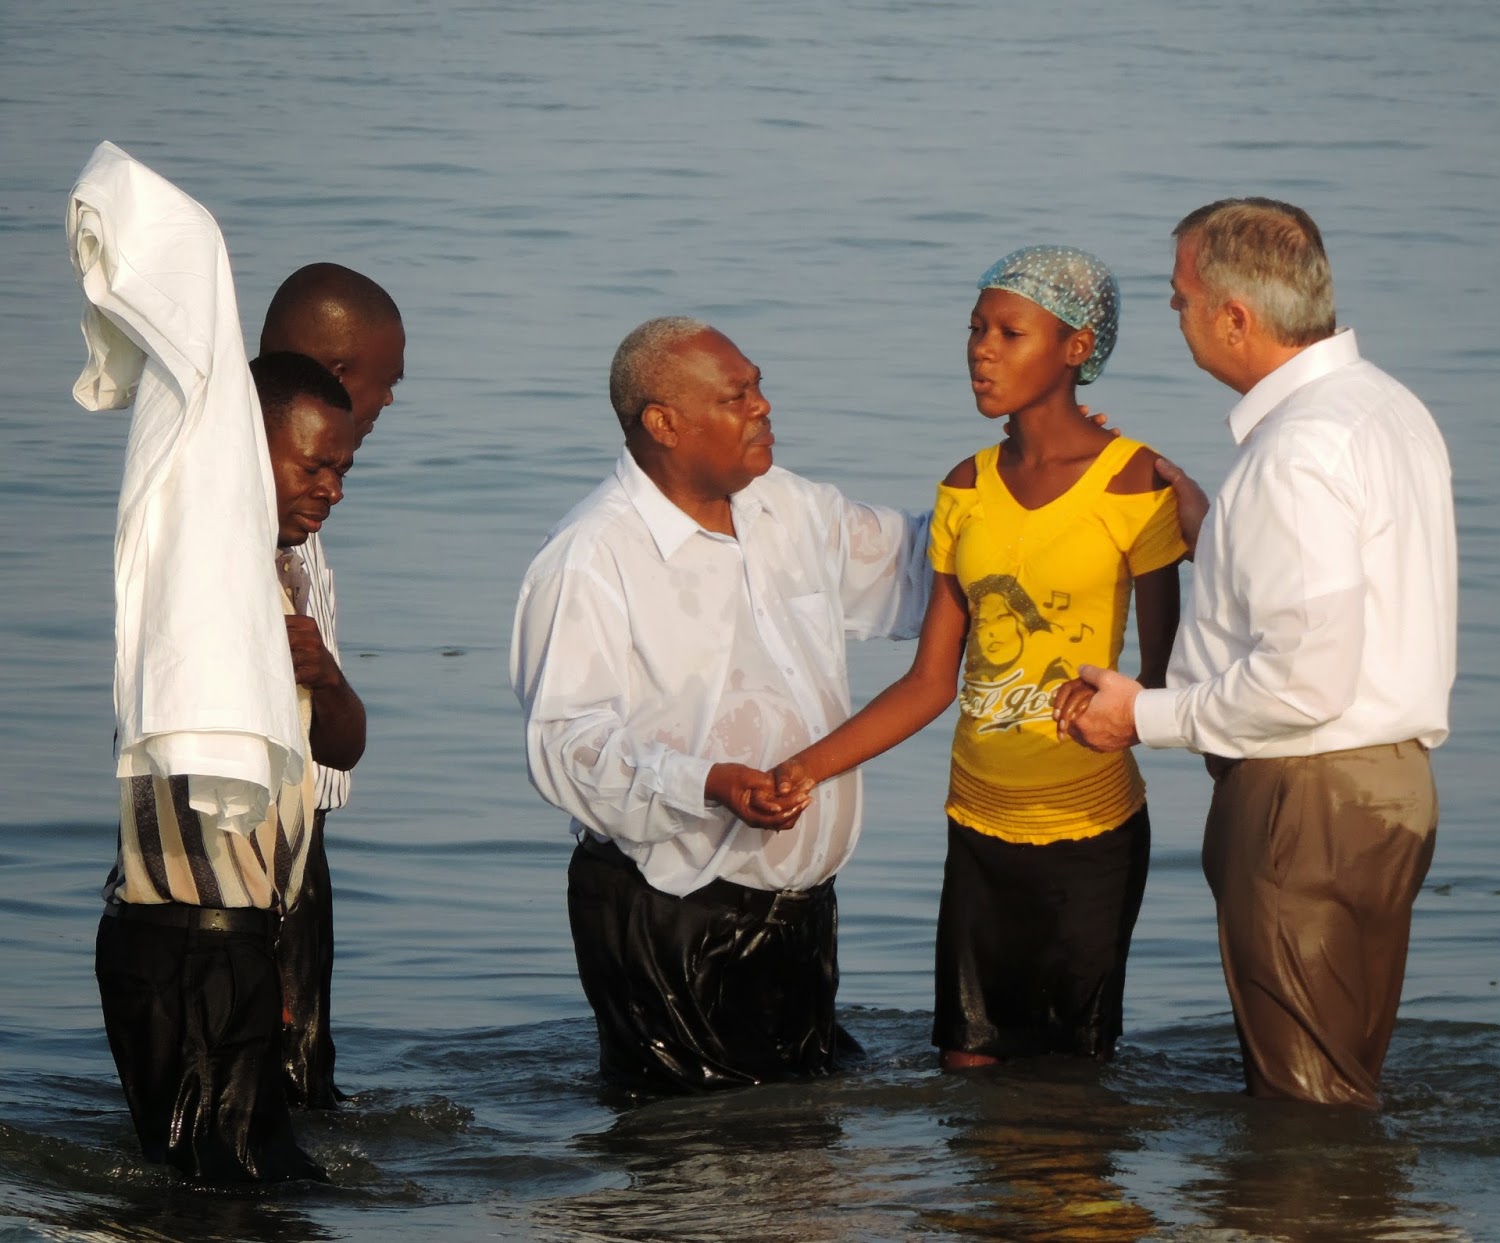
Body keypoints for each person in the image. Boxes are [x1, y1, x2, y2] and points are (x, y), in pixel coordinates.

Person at [1058, 198, 1457, 1108]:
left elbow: (1307, 678)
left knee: (1304, 1108)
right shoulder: (1388, 407)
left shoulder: (1295, 450)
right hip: (1392, 789)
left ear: (1235, 316)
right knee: (1345, 1081)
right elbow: (1362, 590)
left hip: (1305, 797)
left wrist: (1142, 714)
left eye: (1180, 298)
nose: (1176, 314)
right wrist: (1218, 534)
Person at [771, 247, 1186, 1069]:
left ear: (1077, 348)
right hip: (976, 825)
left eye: (1008, 331)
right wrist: (803, 768)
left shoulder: (1135, 481)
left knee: (1069, 1086)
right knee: (966, 1066)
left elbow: (1167, 683)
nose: (981, 348)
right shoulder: (965, 485)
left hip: (1091, 835)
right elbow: (932, 681)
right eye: (975, 329)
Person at [509, 317, 931, 1092]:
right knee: (693, 1166)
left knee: (797, 1155)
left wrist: (1031, 475)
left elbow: (925, 565)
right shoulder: (592, 555)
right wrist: (710, 782)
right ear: (663, 423)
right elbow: (566, 745)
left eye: (759, 386)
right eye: (737, 396)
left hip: (802, 911)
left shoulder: (787, 506)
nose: (763, 406)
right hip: (669, 908)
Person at [96, 352, 357, 1182]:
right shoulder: (199, 576)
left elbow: (341, 750)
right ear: (244, 450)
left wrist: (325, 675)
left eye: (344, 469)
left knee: (244, 1182)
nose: (332, 489)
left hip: (244, 936)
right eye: (312, 466)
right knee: (227, 1193)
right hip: (185, 939)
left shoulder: (283, 579)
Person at [257, 262, 405, 1108]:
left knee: (306, 1070)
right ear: (342, 375)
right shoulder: (249, 504)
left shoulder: (300, 498)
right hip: (261, 843)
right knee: (280, 1073)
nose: (388, 403)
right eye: (387, 381)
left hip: (303, 831)